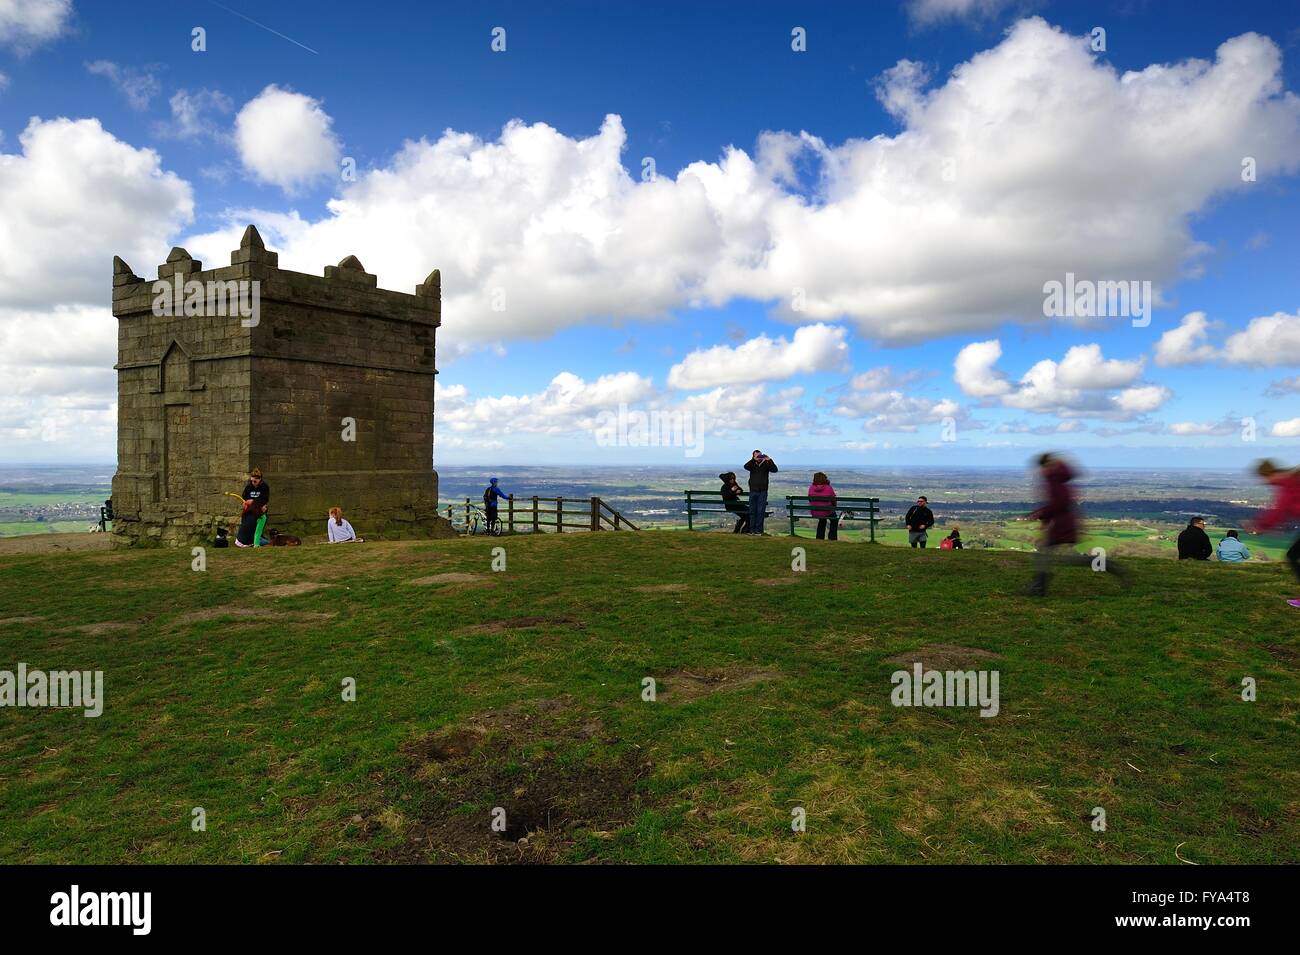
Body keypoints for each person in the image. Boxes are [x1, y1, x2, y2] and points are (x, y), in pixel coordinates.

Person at [1024, 453, 1124, 597]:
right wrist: (1043, 520)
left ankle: (1038, 588)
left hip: (1063, 524)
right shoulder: (1056, 479)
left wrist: (1038, 514)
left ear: (1045, 466)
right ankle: (1038, 587)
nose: (1038, 471)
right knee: (1048, 555)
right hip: (1063, 523)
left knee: (1062, 558)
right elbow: (1055, 505)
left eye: (1040, 467)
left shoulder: (1054, 480)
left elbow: (1059, 504)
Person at [1247, 459, 1300, 606]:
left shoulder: (1288, 483)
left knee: (1293, 555)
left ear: (1269, 474)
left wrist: (1260, 525)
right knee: (1293, 555)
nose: (1265, 482)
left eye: (1264, 478)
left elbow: (1279, 510)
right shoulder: (1291, 480)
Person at [744, 450, 777, 535]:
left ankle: (758, 530)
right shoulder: (752, 464)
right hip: (753, 491)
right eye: (757, 456)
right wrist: (753, 459)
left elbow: (775, 469)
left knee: (760, 511)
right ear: (753, 456)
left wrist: (769, 460)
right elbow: (745, 466)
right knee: (752, 511)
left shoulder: (766, 464)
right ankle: (752, 530)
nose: (759, 457)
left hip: (762, 491)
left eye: (760, 455)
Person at [235, 468, 270, 548]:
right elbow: (244, 496)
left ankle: (257, 539)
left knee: (259, 525)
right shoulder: (249, 487)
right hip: (249, 510)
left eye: (255, 481)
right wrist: (245, 503)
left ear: (260, 479)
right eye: (252, 481)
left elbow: (264, 499)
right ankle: (253, 540)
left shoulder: (264, 487)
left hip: (259, 509)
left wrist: (254, 502)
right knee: (249, 525)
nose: (253, 483)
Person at [808, 472, 838, 541]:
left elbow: (810, 500)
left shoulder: (811, 488)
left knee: (822, 520)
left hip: (816, 511)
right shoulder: (828, 488)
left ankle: (819, 538)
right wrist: (834, 507)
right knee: (834, 520)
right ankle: (832, 538)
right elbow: (834, 500)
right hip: (827, 511)